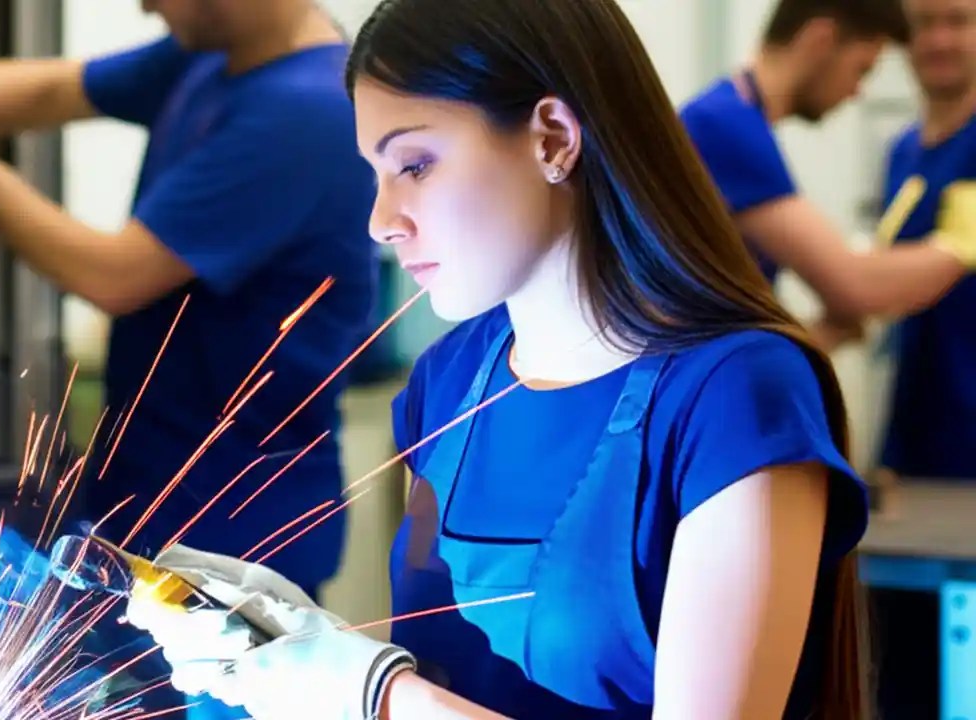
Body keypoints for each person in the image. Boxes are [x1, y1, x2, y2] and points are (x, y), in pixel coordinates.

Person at [121, 0, 968, 717]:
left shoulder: (733, 396)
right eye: (375, 175)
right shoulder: (448, 382)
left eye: (414, 163)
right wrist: (293, 646)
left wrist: (371, 691)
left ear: (554, 136)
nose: (382, 220)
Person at [0, 1, 376, 716]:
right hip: (146, 516)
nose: (145, 5)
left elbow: (117, 276)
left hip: (236, 548)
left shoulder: (302, 111)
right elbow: (54, 88)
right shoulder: (214, 56)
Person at [680, 0, 972, 351]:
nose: (857, 91)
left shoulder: (729, 116)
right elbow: (854, 286)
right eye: (861, 69)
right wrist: (959, 245)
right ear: (821, 41)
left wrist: (823, 334)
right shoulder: (726, 126)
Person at [873, 3, 975, 712]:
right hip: (913, 436)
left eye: (958, 22)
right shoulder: (904, 150)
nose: (937, 40)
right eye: (922, 23)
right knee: (905, 668)